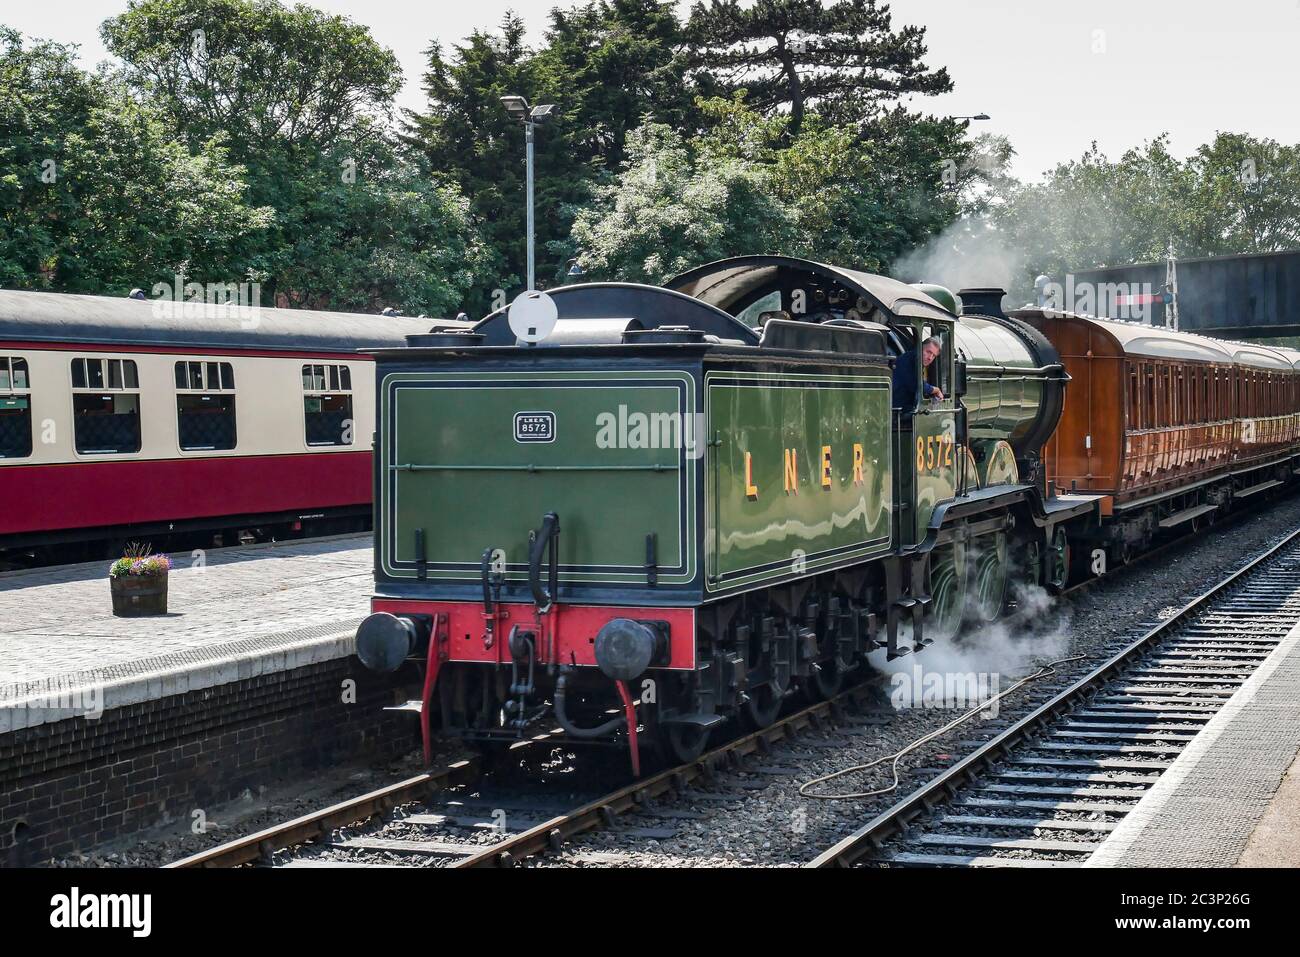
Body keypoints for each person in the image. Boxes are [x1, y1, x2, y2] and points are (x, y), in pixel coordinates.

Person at [892, 336, 944, 408]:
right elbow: (918, 385)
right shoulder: (907, 361)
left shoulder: (918, 363)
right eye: (928, 352)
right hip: (895, 409)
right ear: (920, 348)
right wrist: (936, 390)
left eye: (934, 356)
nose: (930, 358)